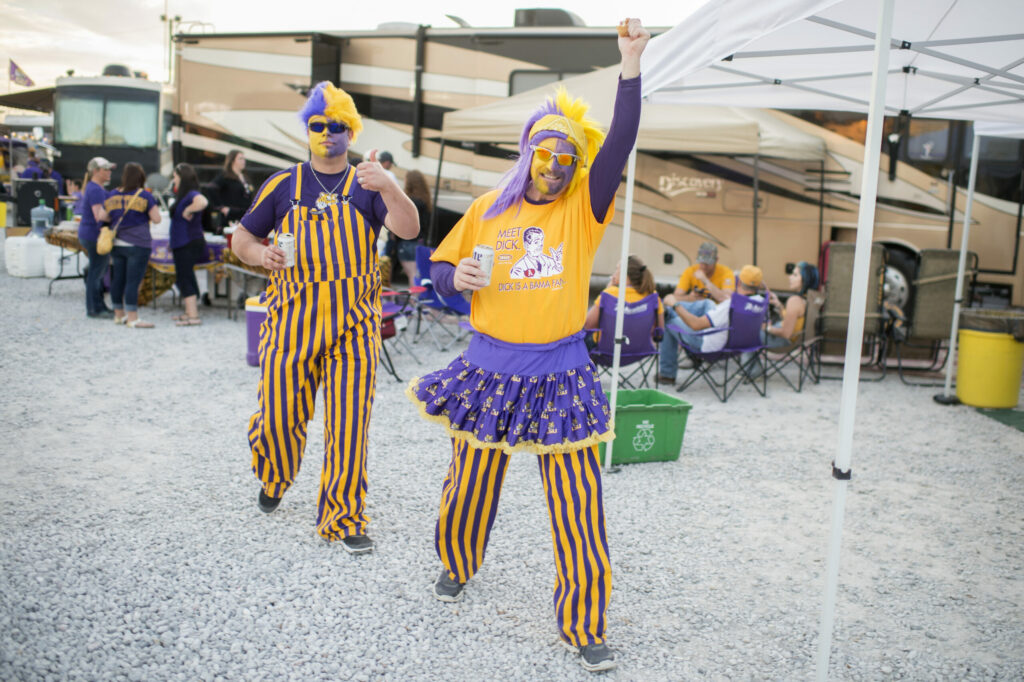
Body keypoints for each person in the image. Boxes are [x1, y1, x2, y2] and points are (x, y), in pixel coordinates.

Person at [405, 19, 649, 673]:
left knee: (578, 505)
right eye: (544, 155)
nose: (553, 166)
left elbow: (620, 141)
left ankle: (585, 623)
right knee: (470, 483)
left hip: (560, 374)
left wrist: (629, 65)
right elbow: (438, 276)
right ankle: (457, 563)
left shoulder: (582, 209)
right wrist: (457, 279)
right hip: (487, 370)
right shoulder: (486, 208)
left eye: (565, 158)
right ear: (526, 154)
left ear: (575, 166)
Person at [231, 81, 418, 553]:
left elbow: (410, 227)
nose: (327, 133)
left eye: (337, 126)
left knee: (349, 424)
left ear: (350, 133)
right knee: (277, 418)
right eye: (318, 125)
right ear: (307, 131)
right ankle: (274, 472)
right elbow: (241, 241)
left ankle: (344, 515)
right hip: (291, 323)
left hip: (353, 326)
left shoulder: (368, 184)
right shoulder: (281, 185)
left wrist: (390, 185)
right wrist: (262, 254)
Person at [658, 264, 766, 383]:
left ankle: (667, 375)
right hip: (735, 347)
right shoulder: (761, 303)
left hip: (708, 346)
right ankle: (671, 309)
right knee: (706, 303)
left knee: (668, 320)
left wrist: (675, 304)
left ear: (739, 283)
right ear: (758, 285)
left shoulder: (730, 306)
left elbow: (696, 325)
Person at [656, 241, 735, 383]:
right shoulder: (691, 271)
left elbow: (726, 299)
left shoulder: (725, 272)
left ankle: (668, 373)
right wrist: (690, 298)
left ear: (716, 260)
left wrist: (705, 281)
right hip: (697, 317)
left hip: (713, 323)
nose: (703, 266)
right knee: (698, 304)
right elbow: (676, 297)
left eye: (707, 263)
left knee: (671, 320)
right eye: (701, 262)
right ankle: (690, 356)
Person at [106, 162, 161, 328]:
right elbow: (157, 218)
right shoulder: (144, 196)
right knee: (133, 281)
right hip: (138, 244)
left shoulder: (112, 195)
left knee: (118, 279)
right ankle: (132, 318)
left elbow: (103, 216)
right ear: (141, 177)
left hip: (117, 243)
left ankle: (118, 315)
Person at [743, 260, 820, 377]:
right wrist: (779, 305)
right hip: (798, 337)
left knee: (745, 332)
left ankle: (753, 371)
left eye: (795, 275)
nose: (790, 277)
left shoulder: (794, 301)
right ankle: (752, 369)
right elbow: (795, 319)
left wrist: (766, 328)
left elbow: (786, 334)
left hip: (785, 342)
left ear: (805, 279)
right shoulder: (807, 299)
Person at [583, 254, 664, 348]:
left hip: (606, 349)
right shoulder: (653, 297)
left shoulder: (610, 294)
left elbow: (588, 325)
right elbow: (659, 332)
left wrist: (607, 290)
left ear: (624, 274)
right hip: (639, 351)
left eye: (616, 269)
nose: (614, 273)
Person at [168, 163, 210, 326]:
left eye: (175, 176)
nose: (173, 179)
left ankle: (193, 315)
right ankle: (189, 312)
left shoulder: (192, 194)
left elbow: (203, 201)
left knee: (184, 276)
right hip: (181, 241)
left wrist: (188, 210)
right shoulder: (183, 195)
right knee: (184, 275)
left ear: (182, 177)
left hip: (187, 241)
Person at [78, 157, 116, 319]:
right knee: (97, 272)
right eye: (105, 169)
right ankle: (95, 308)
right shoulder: (96, 190)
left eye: (109, 169)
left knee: (95, 270)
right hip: (95, 235)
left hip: (90, 234)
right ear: (95, 171)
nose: (109, 172)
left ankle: (97, 306)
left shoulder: (94, 188)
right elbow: (99, 215)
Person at [395, 169, 430, 285]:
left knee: (411, 274)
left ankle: (413, 300)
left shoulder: (407, 200)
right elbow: (425, 224)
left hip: (405, 241)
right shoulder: (424, 200)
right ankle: (416, 299)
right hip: (419, 241)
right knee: (416, 273)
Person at [213, 150, 253, 225]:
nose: (243, 161)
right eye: (240, 159)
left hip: (244, 216)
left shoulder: (245, 177)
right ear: (232, 161)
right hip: (231, 218)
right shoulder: (225, 176)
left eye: (244, 159)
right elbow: (212, 188)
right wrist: (221, 207)